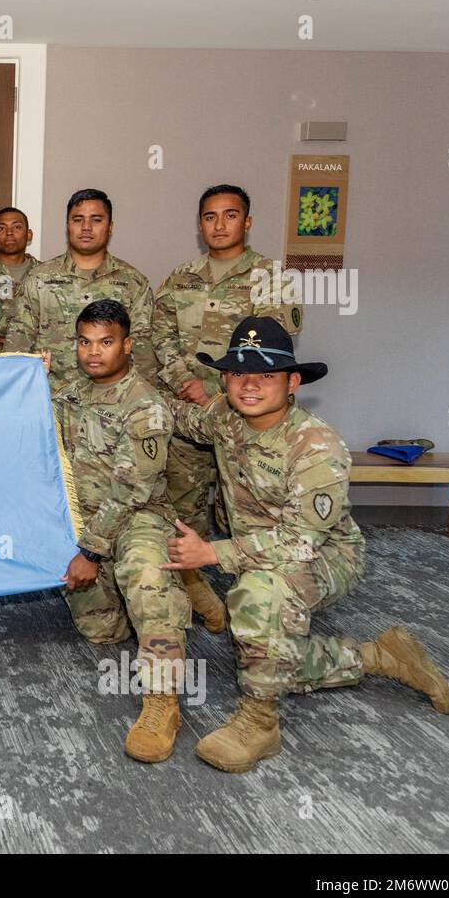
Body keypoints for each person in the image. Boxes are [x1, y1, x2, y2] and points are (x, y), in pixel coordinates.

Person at [162, 316, 449, 773]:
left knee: (259, 599)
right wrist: (119, 392)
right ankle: (379, 656)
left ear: (293, 381)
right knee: (263, 655)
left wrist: (213, 554)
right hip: (259, 550)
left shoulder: (317, 446)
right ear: (225, 379)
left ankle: (260, 724)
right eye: (239, 373)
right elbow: (184, 419)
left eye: (267, 375)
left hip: (324, 555)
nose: (251, 386)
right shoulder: (225, 415)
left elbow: (300, 541)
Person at [149, 184, 303, 633]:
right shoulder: (181, 278)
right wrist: (187, 383)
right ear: (200, 225)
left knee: (249, 510)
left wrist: (224, 390)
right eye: (210, 217)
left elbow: (274, 348)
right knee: (182, 508)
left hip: (249, 416)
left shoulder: (269, 278)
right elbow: (159, 336)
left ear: (247, 222)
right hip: (190, 411)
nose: (219, 225)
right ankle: (193, 591)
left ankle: (255, 601)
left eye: (229, 215)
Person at [56, 300, 189, 762]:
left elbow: (131, 492)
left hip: (137, 519)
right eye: (85, 342)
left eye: (106, 342)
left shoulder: (145, 406)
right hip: (85, 519)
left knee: (147, 584)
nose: (94, 352)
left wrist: (89, 553)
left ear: (127, 345)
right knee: (103, 632)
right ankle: (191, 583)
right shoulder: (71, 395)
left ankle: (162, 704)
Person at [5, 188, 157, 391]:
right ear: (68, 226)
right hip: (51, 400)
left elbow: (142, 354)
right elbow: (17, 348)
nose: (86, 227)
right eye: (78, 219)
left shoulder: (132, 283)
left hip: (111, 405)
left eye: (96, 220)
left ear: (110, 227)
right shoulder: (39, 278)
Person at [0, 206, 37, 349]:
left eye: (17, 227)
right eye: (2, 228)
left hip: (35, 360)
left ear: (29, 234)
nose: (9, 233)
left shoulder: (45, 275)